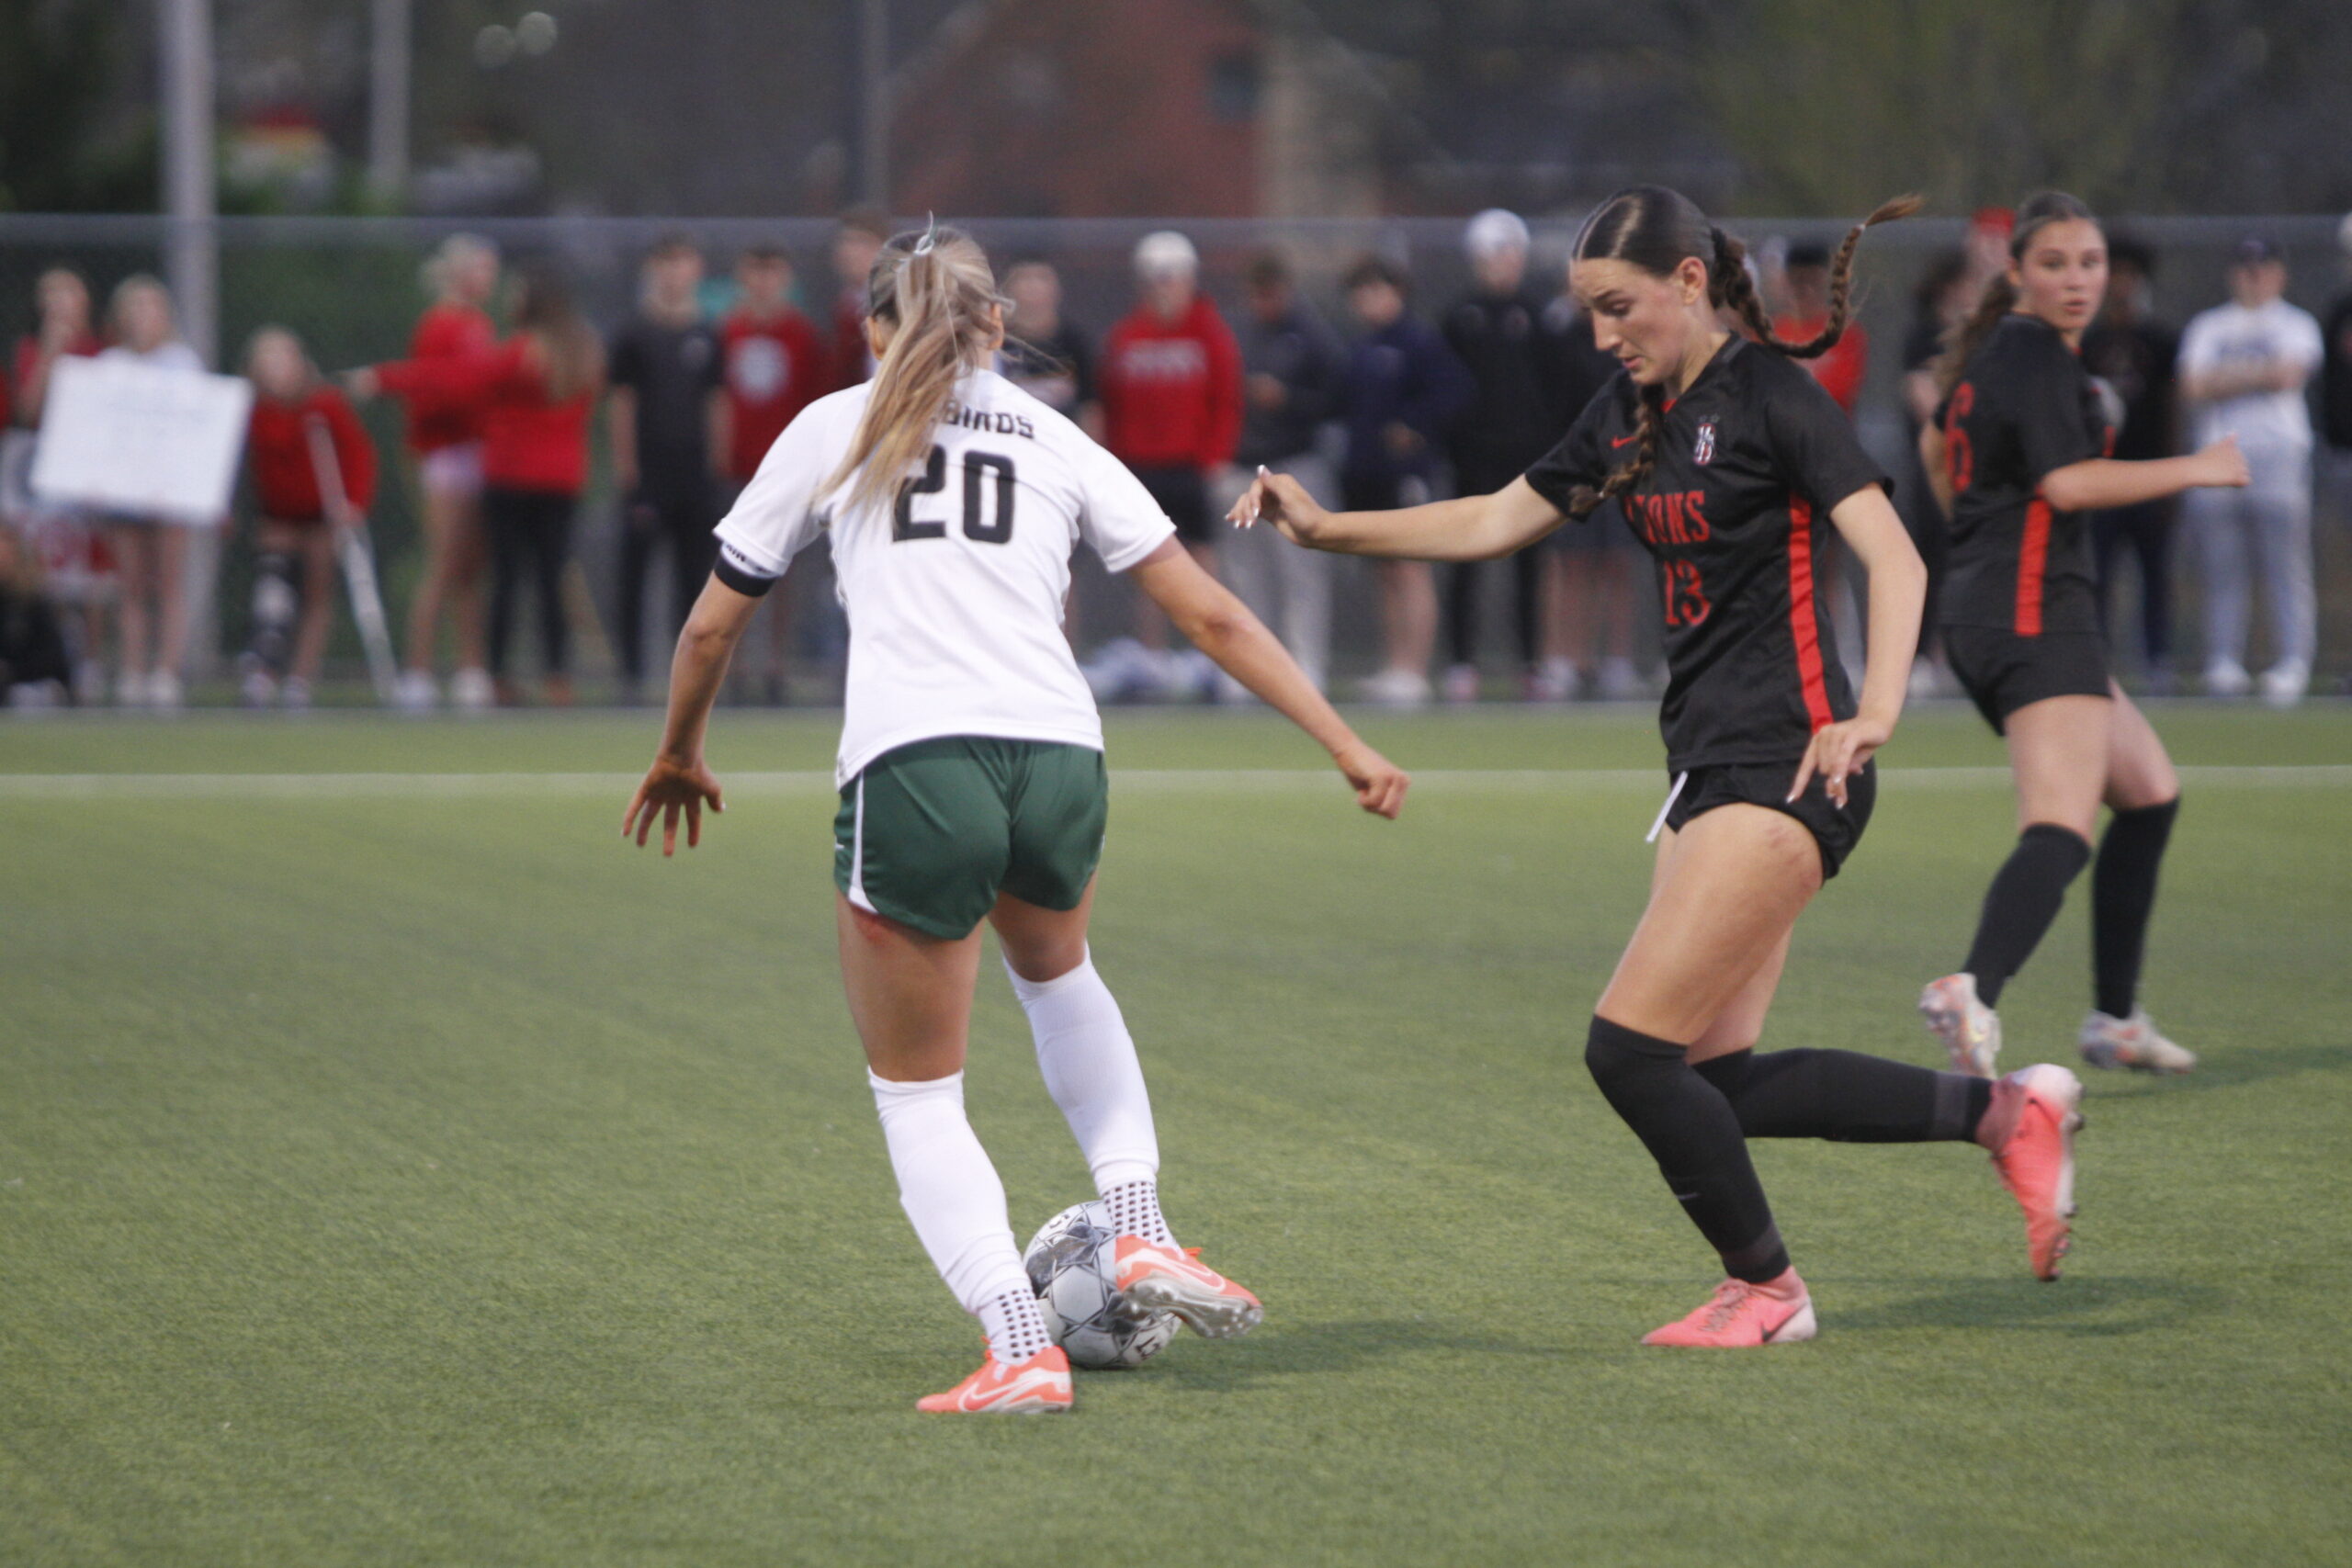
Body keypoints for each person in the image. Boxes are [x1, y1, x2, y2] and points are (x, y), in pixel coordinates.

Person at [1241, 186, 2094, 1348]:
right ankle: (2006, 1115)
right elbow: (1497, 517)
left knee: (1628, 1051)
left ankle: (1768, 1290)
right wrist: (1324, 526)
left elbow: (1893, 559)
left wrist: (1878, 709)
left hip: (1792, 763)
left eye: (1618, 306)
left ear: (1688, 284)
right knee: (1713, 1076)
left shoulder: (1772, 398)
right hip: (1706, 770)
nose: (1603, 335)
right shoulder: (1628, 407)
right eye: (1589, 312)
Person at [622, 224, 1408, 1412]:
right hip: (1059, 753)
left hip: (918, 757)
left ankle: (1016, 1341)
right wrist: (1344, 740)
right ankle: (1137, 1219)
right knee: (1060, 974)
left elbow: (710, 626)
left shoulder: (834, 422)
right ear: (997, 326)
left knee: (918, 1089)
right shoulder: (1054, 433)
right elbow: (1213, 616)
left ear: (874, 327)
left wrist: (681, 749)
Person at [1918, 192, 2250, 1087]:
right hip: (2033, 614)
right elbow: (2065, 486)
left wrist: (1978, 539)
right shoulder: (2032, 358)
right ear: (2019, 272)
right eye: (2055, 264)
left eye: (2090, 263)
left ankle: (2112, 1020)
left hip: (2003, 608)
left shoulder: (2003, 354)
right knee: (2059, 828)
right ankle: (1970, 989)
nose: (2076, 280)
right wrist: (2200, 467)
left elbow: (1930, 444)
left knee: (2147, 794)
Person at [356, 265, 605, 706]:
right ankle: (556, 678)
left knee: (506, 578)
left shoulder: (518, 353)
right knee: (551, 578)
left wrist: (383, 379)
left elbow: (454, 379)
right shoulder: (584, 355)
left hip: (510, 477)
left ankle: (496, 674)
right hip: (563, 480)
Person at [2176, 236, 2324, 705]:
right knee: (2222, 566)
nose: (2254, 276)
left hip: (2279, 453)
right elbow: (2192, 385)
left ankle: (2293, 663)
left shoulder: (2296, 322)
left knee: (2285, 564)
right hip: (2219, 454)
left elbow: (2288, 375)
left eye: (2263, 268)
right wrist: (2257, 373)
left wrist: (2229, 378)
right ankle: (2224, 661)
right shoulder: (2209, 324)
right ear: (2233, 273)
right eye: (2246, 268)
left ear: (2279, 274)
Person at [1096, 230, 1244, 688]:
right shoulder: (1127, 335)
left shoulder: (1209, 333)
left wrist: (1216, 457)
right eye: (1156, 277)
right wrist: (1116, 464)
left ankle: (1211, 655)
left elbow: (1227, 400)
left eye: (1172, 277)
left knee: (1202, 560)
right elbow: (1112, 403)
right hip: (1142, 467)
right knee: (1150, 563)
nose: (1164, 286)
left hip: (1192, 465)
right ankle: (1154, 657)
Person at [1338, 254, 1474, 707]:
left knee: (1411, 570)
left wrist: (1413, 427)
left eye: (1376, 290)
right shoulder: (1361, 347)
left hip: (1407, 477)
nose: (1367, 301)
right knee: (1384, 570)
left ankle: (1415, 671)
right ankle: (1393, 667)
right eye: (1361, 293)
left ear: (1397, 292)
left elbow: (1455, 392)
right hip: (1369, 477)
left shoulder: (1419, 342)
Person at [1442, 210, 1557, 703]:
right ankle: (1461, 663)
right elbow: (1446, 391)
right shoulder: (1458, 317)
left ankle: (1530, 663)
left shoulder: (1536, 317)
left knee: (1529, 565)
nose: (1502, 264)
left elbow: (1553, 392)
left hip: (1526, 461)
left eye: (1509, 253)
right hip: (1473, 460)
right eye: (1493, 254)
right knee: (1465, 561)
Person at [608, 235, 725, 705]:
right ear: (654, 269)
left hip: (695, 475)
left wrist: (718, 466)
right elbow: (621, 404)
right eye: (668, 263)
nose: (677, 272)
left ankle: (689, 679)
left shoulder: (708, 334)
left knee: (694, 580)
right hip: (649, 476)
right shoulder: (634, 333)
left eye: (685, 261)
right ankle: (630, 677)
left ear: (696, 269)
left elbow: (718, 402)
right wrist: (628, 471)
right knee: (634, 577)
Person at [237, 327, 377, 708]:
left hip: (320, 513)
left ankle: (301, 678)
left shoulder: (323, 406)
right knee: (274, 584)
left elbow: (358, 455)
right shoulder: (253, 410)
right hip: (279, 514)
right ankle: (264, 667)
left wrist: (353, 503)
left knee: (318, 592)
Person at [389, 234, 500, 713]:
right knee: (443, 560)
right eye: (481, 268)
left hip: (477, 451)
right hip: (445, 454)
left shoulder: (478, 323)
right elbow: (431, 388)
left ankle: (470, 669)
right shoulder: (438, 324)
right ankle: (416, 672)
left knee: (471, 567)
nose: (489, 278)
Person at [1224, 250, 1343, 693]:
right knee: (1244, 574)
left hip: (1294, 464)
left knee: (1301, 571)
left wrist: (1287, 398)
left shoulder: (1312, 335)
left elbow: (1335, 400)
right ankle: (1250, 670)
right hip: (1240, 465)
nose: (1265, 303)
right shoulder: (1236, 332)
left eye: (1272, 294)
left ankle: (1305, 668)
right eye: (1259, 294)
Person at [718, 243, 831, 705]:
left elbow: (815, 401)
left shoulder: (802, 337)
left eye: (773, 273)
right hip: (737, 468)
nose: (764, 283)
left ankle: (775, 665)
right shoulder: (727, 332)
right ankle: (735, 664)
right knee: (733, 570)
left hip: (786, 471)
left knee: (784, 573)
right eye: (756, 272)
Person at [97, 276, 209, 709]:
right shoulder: (109, 365)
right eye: (135, 307)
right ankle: (131, 670)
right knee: (130, 585)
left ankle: (166, 673)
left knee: (168, 583)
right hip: (124, 493)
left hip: (169, 491)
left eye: (151, 307)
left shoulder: (181, 364)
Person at [1533, 260, 1642, 701]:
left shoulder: (1628, 335)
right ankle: (1564, 660)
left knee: (1617, 560)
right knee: (1569, 565)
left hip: (1624, 461)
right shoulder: (1556, 334)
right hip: (1573, 463)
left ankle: (1617, 662)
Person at [2079, 239, 2183, 691]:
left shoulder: (2160, 339)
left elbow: (2173, 408)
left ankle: (2157, 658)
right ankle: (2097, 662)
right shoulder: (2089, 341)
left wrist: (2172, 478)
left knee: (2154, 573)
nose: (2121, 285)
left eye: (2128, 276)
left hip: (2149, 476)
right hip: (2102, 480)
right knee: (2097, 574)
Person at [8, 266, 109, 703]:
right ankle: (50, 667)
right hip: (47, 482)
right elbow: (29, 411)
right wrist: (52, 351)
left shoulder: (101, 352)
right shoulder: (31, 350)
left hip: (92, 479)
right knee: (48, 576)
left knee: (92, 581)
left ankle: (88, 665)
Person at [1897, 251, 1974, 695]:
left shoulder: (1976, 340)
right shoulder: (1923, 337)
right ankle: (1923, 655)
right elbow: (1924, 401)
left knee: (1965, 562)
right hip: (1932, 469)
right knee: (1928, 558)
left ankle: (1958, 654)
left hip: (1972, 470)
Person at [995, 259, 1099, 436]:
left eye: (1041, 279)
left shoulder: (1073, 341)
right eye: (1024, 279)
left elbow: (1090, 406)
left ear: (1056, 288)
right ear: (1008, 288)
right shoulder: (996, 342)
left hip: (1062, 441)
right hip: (1012, 439)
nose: (1032, 287)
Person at [0, 524, 72, 705]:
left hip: (27, 684)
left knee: (27, 696)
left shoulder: (33, 601)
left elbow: (54, 659)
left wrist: (10, 672)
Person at [829, 209, 892, 392]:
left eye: (862, 242)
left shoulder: (890, 304)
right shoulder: (846, 303)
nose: (851, 251)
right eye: (846, 241)